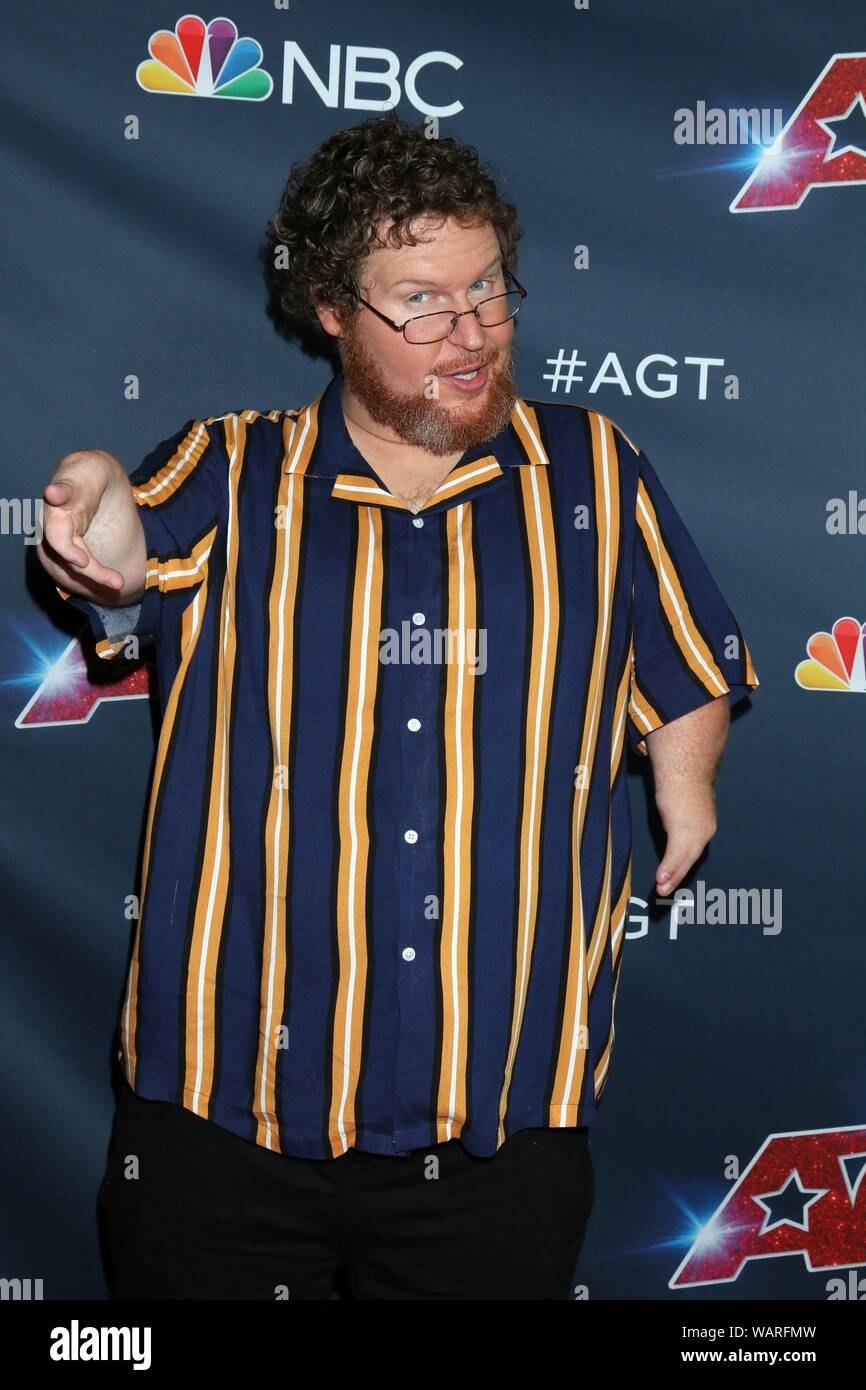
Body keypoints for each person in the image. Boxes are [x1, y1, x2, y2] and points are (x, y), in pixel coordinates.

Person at [36, 112, 759, 1301]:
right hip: (220, 1126)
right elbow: (126, 550)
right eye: (420, 301)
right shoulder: (229, 468)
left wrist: (685, 777)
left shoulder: (593, 469)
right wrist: (95, 517)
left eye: (486, 289)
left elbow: (682, 657)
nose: (470, 333)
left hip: (500, 1131)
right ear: (330, 308)